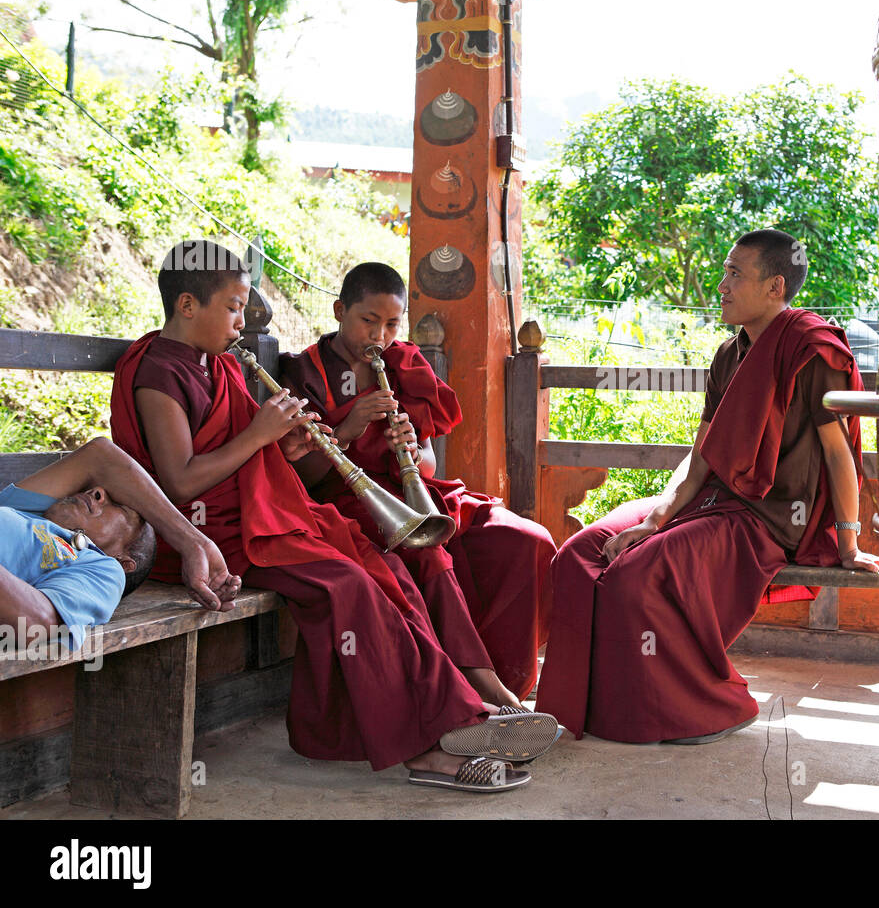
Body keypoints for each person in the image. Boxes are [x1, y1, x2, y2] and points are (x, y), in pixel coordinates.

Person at [109, 240, 558, 793]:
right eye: (232, 307)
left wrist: (286, 448)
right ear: (186, 305)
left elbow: (255, 456)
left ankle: (459, 711)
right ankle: (427, 748)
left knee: (382, 568)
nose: (239, 321)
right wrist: (260, 436)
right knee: (350, 584)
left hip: (256, 517)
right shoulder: (159, 371)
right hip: (204, 537)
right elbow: (178, 481)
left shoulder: (214, 363)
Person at [536, 229, 879, 744]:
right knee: (580, 554)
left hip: (770, 516)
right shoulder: (728, 356)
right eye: (725, 272)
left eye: (736, 274)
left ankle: (709, 707)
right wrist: (655, 518)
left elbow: (838, 452)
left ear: (776, 286)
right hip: (713, 498)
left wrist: (850, 544)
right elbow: (700, 454)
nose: (722, 285)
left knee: (638, 574)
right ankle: (593, 707)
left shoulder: (813, 351)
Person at [277, 262, 555, 706]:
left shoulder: (401, 363)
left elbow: (426, 464)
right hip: (346, 504)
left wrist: (408, 445)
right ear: (338, 311)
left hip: (414, 495)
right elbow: (301, 477)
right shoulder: (305, 372)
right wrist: (347, 430)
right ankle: (481, 688)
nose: (379, 336)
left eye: (391, 324)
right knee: (426, 553)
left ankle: (513, 677)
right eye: (368, 321)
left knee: (524, 539)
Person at [0, 436, 240, 652]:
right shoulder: (25, 510)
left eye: (118, 506)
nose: (97, 492)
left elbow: (35, 622)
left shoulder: (100, 568)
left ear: (123, 561)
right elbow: (100, 456)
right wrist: (194, 543)